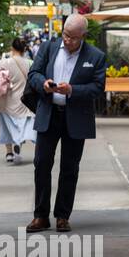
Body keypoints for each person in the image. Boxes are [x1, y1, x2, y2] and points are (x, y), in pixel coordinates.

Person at [25, 14, 106, 233]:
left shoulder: (96, 56)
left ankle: (62, 216)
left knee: (69, 168)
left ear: (83, 36)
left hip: (75, 118)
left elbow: (98, 88)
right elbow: (33, 73)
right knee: (41, 163)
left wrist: (72, 90)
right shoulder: (49, 48)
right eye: (65, 35)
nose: (67, 40)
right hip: (49, 114)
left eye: (73, 37)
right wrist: (44, 83)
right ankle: (40, 216)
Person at [0, 37, 35, 164]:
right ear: (24, 49)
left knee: (6, 127)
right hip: (24, 101)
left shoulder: (5, 62)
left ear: (12, 48)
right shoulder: (30, 63)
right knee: (23, 125)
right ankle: (19, 142)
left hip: (7, 101)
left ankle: (9, 153)